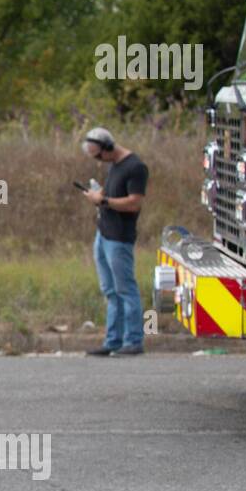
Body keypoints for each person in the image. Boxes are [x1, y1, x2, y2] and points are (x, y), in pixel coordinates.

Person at [81, 126, 149, 357]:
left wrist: (104, 201)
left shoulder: (136, 167)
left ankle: (133, 340)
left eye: (100, 155)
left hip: (119, 237)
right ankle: (113, 340)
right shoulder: (115, 165)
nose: (99, 161)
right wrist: (100, 197)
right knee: (110, 290)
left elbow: (134, 203)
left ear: (109, 147)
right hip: (104, 233)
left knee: (125, 289)